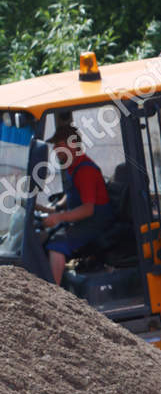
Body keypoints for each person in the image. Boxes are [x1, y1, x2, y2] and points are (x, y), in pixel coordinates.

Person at [40, 117, 110, 284]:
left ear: (71, 144)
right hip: (85, 218)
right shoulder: (74, 166)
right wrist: (53, 209)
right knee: (46, 236)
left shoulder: (85, 170)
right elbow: (71, 195)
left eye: (58, 145)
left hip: (96, 222)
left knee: (57, 245)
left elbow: (88, 209)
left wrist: (58, 217)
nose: (55, 150)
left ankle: (53, 297)